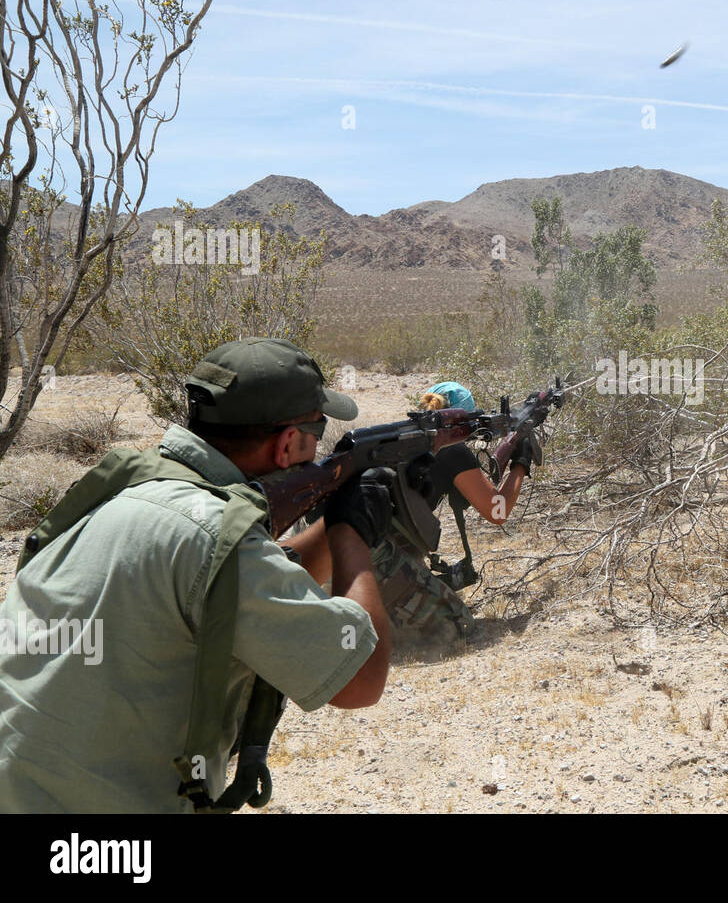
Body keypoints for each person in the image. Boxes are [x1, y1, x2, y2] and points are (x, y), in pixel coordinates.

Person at [0, 337, 395, 812]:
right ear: (288, 442)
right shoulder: (213, 535)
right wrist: (353, 534)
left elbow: (234, 590)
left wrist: (330, 523)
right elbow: (361, 681)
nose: (319, 444)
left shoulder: (126, 488)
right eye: (316, 429)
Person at [373, 382, 542, 643]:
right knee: (457, 624)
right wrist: (521, 463)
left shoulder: (404, 440)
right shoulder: (453, 451)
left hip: (361, 553)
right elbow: (498, 511)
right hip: (379, 566)